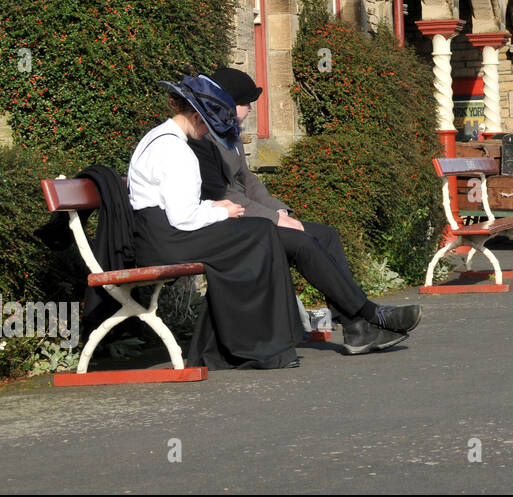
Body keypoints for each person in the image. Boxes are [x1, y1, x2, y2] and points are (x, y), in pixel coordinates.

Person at [187, 67, 420, 355]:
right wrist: (274, 219)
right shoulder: (204, 140)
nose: (249, 110)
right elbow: (226, 196)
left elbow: (250, 183)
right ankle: (370, 314)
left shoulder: (229, 135)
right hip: (230, 225)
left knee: (326, 235)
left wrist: (282, 213)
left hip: (252, 219)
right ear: (227, 103)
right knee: (302, 243)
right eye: (246, 104)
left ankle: (355, 330)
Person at [128, 74, 304, 369]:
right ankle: (254, 346)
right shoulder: (176, 150)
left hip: (161, 234)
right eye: (206, 126)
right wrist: (223, 212)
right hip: (165, 242)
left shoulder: (162, 138)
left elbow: (177, 206)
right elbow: (182, 218)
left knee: (258, 231)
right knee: (257, 234)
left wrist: (214, 205)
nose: (206, 133)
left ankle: (230, 345)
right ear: (196, 116)